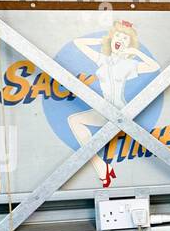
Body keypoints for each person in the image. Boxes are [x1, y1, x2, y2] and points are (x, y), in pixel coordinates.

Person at [67, 19, 160, 187]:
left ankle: (103, 169)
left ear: (129, 44)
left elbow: (154, 66)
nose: (120, 39)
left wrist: (136, 52)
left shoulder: (129, 64)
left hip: (120, 111)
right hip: (104, 111)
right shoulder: (102, 60)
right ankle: (101, 166)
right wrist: (102, 40)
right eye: (118, 35)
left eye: (125, 38)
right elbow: (78, 43)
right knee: (74, 120)